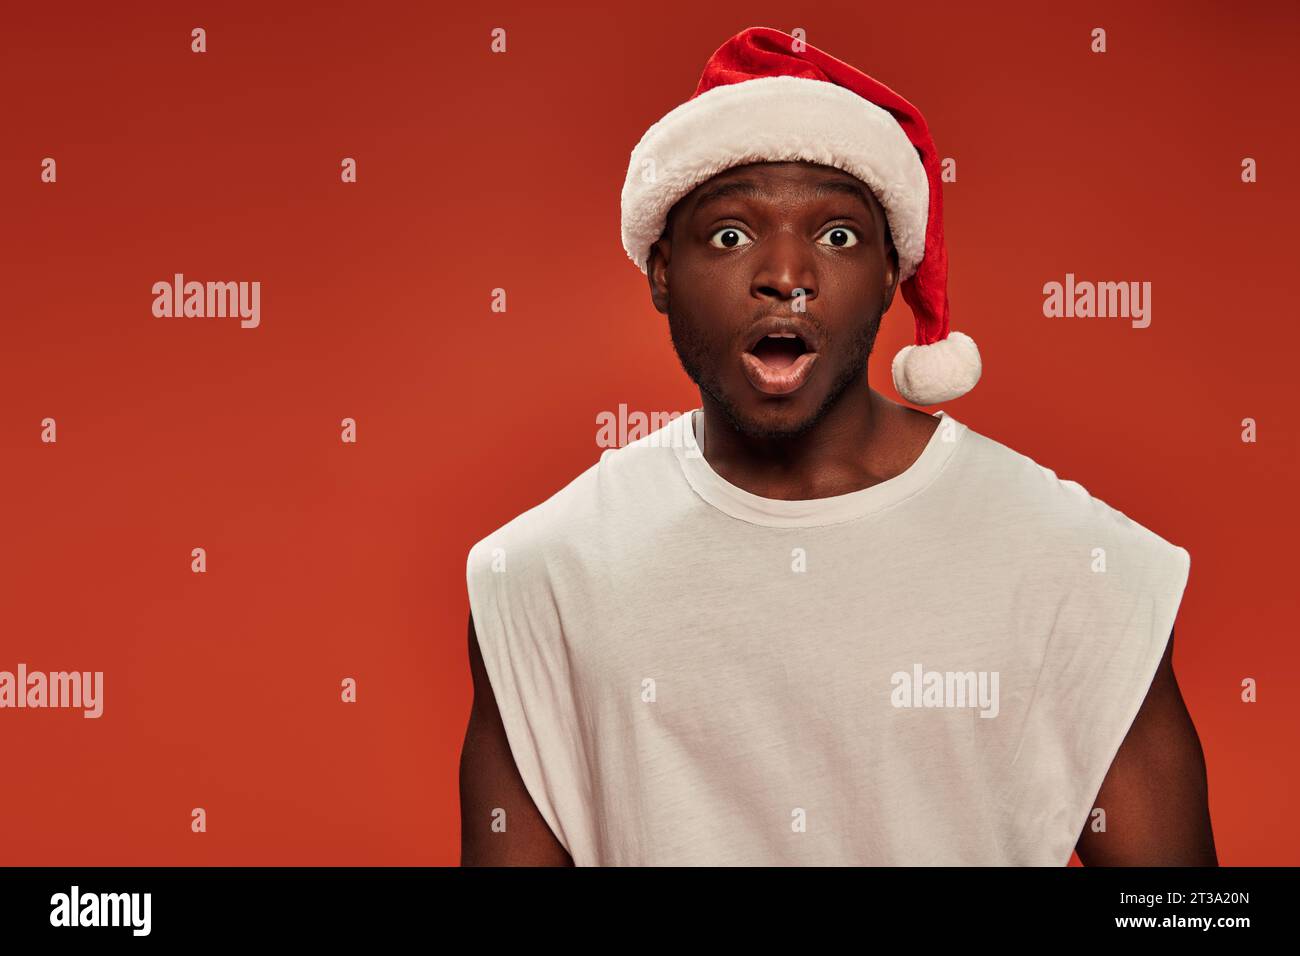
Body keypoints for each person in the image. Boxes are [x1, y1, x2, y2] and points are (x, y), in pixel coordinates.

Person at [459, 26, 1215, 866]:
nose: (787, 272)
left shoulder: (1080, 567)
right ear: (661, 270)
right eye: (732, 235)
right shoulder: (539, 579)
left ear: (892, 272)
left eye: (840, 236)